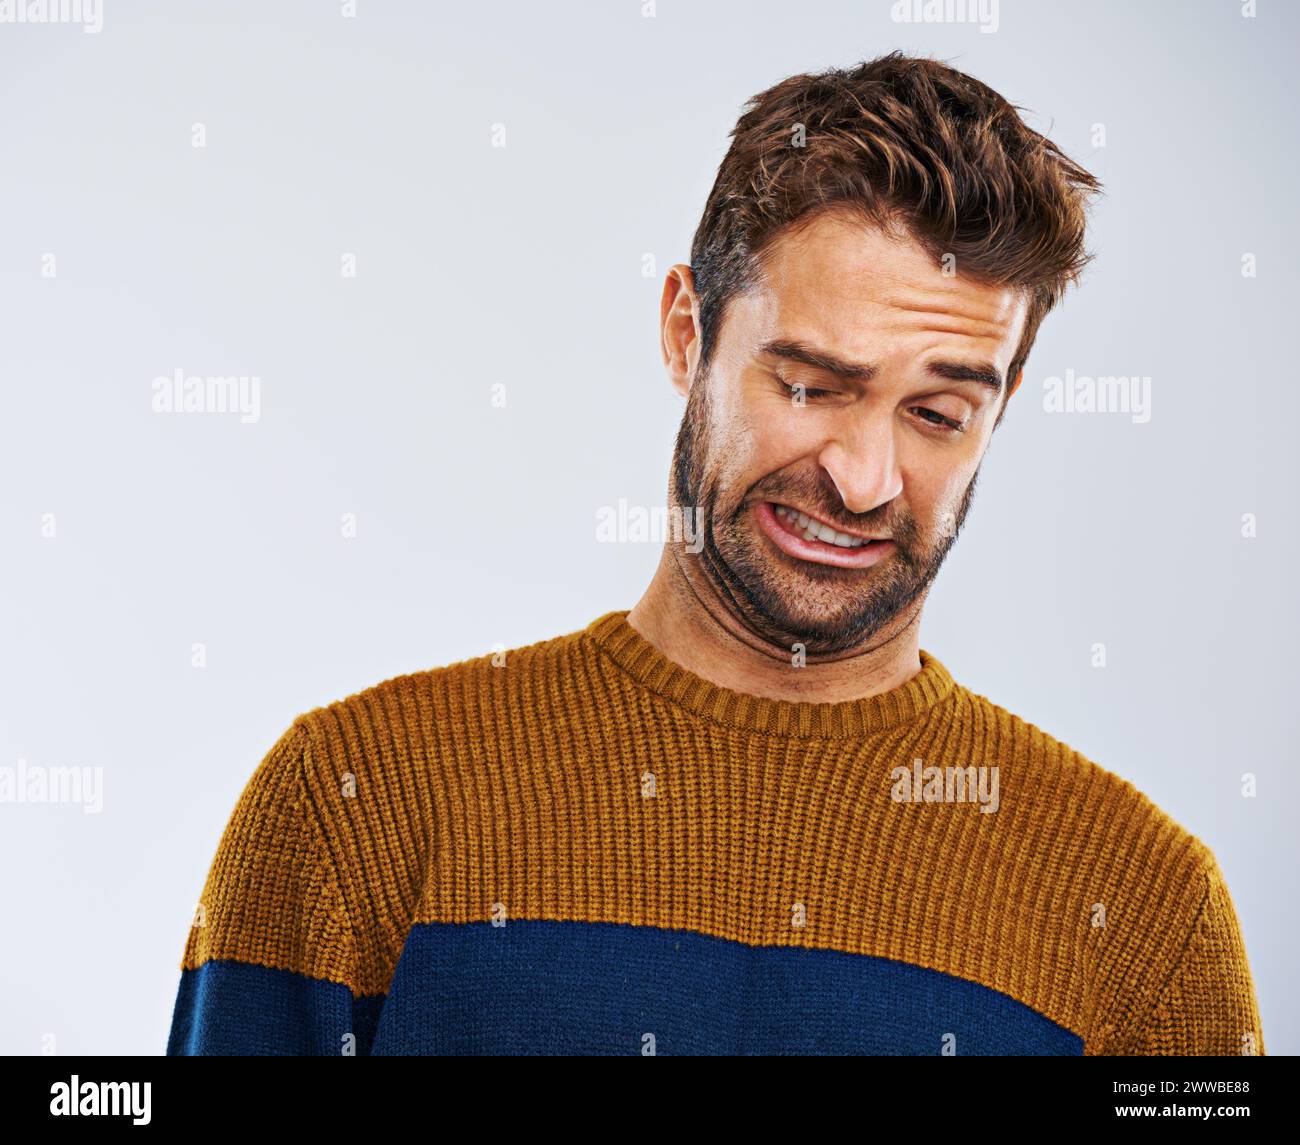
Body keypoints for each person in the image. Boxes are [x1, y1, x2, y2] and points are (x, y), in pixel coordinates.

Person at [167, 52, 1264, 1056]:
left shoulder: (1144, 914)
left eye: (936, 413)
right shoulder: (355, 798)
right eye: (809, 385)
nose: (864, 476)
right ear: (687, 330)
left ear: (1004, 405)